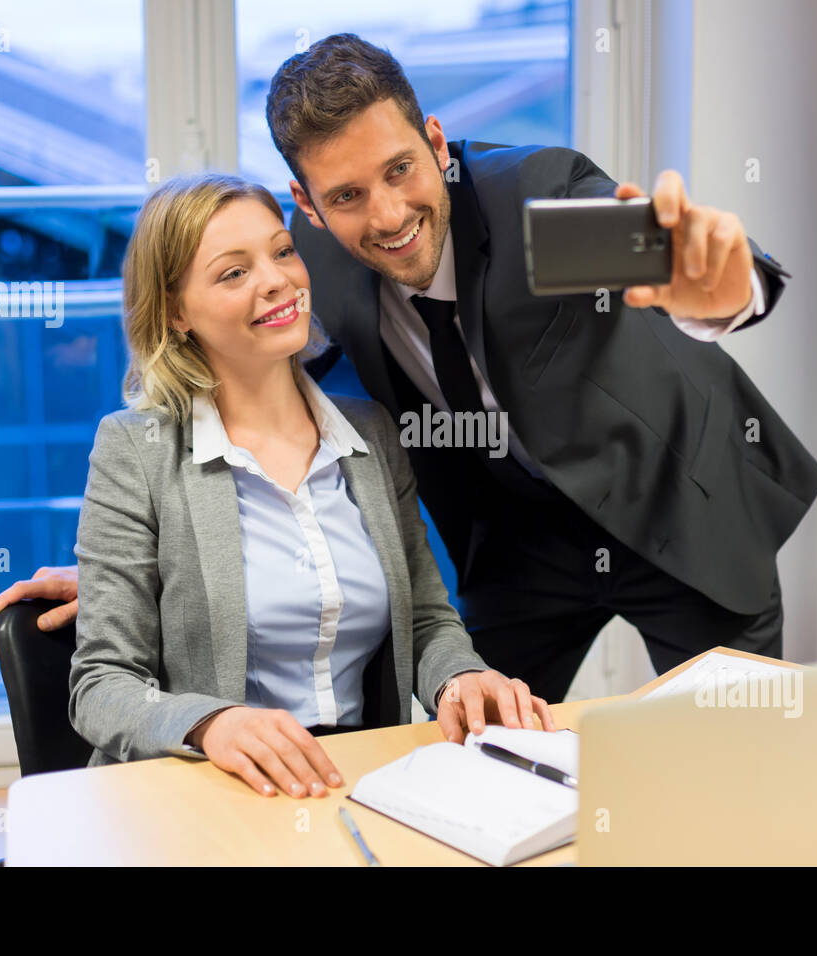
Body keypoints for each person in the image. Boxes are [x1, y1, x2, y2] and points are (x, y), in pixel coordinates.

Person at [0, 32, 817, 707]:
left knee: (739, 766)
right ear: (308, 203)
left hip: (674, 503)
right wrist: (138, 569)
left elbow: (684, 267)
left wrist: (722, 291)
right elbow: (223, 384)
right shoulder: (306, 260)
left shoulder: (539, 198)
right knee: (488, 753)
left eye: (401, 170)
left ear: (435, 143)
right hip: (520, 550)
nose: (388, 216)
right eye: (346, 196)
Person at [60, 173, 554, 798]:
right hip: (209, 791)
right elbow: (102, 684)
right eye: (233, 272)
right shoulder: (136, 449)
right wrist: (212, 723)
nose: (276, 280)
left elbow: (427, 619)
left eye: (282, 251)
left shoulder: (371, 433)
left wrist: (461, 678)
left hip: (356, 779)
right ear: (176, 311)